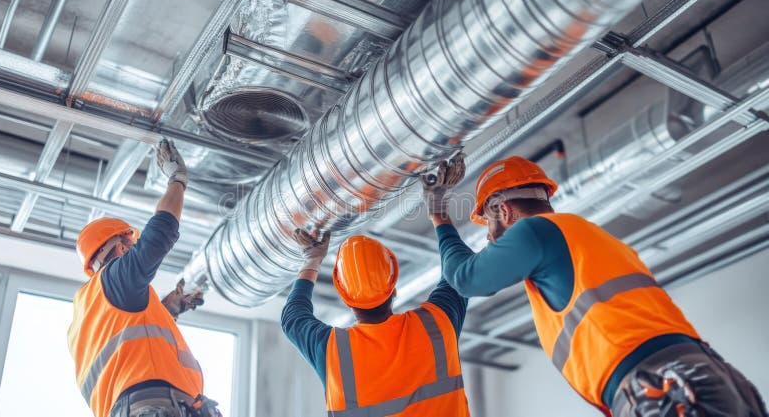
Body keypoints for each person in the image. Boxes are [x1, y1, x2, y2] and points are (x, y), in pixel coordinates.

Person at [422, 153, 767, 417]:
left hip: (663, 384)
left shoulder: (536, 232)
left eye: (490, 222)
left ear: (505, 210)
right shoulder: (589, 237)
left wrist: (439, 214)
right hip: (705, 376)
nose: (489, 236)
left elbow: (467, 278)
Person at [68, 139, 220, 417]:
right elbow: (158, 236)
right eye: (126, 241)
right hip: (154, 406)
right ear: (107, 248)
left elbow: (134, 338)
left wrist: (170, 308)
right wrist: (178, 180)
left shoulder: (92, 310)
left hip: (152, 406)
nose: (131, 247)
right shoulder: (112, 279)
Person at [281, 228, 471, 416]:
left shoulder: (333, 351)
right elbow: (459, 266)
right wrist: (439, 216)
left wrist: (312, 260)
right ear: (393, 288)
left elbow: (293, 317)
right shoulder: (436, 323)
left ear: (347, 300)